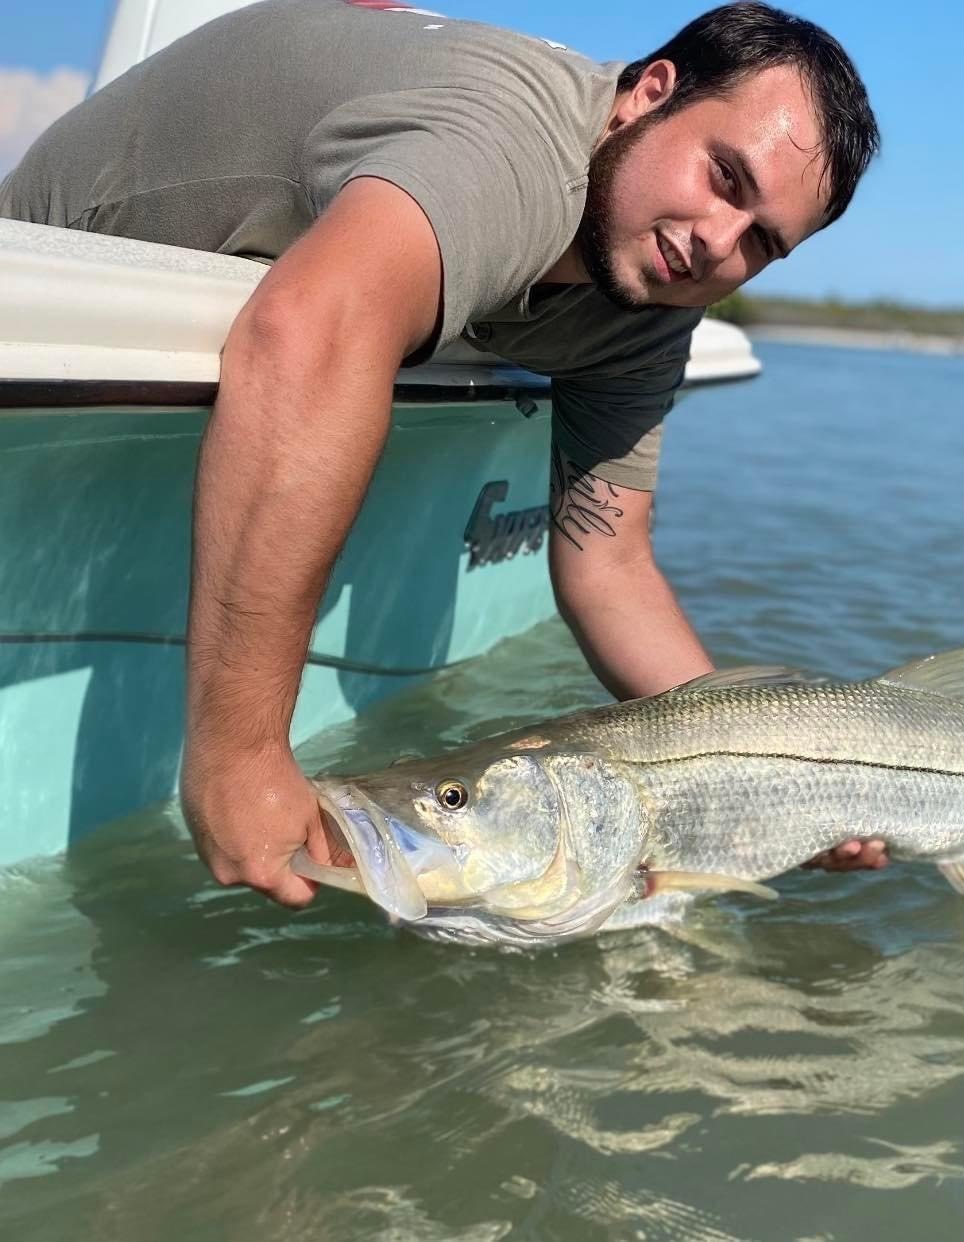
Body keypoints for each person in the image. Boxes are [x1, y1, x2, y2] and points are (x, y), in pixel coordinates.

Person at [1, 0, 888, 906]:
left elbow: (610, 564)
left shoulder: (650, 301)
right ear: (649, 94)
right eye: (725, 177)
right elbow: (309, 332)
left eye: (763, 243)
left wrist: (769, 778)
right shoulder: (511, 146)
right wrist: (241, 754)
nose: (718, 242)